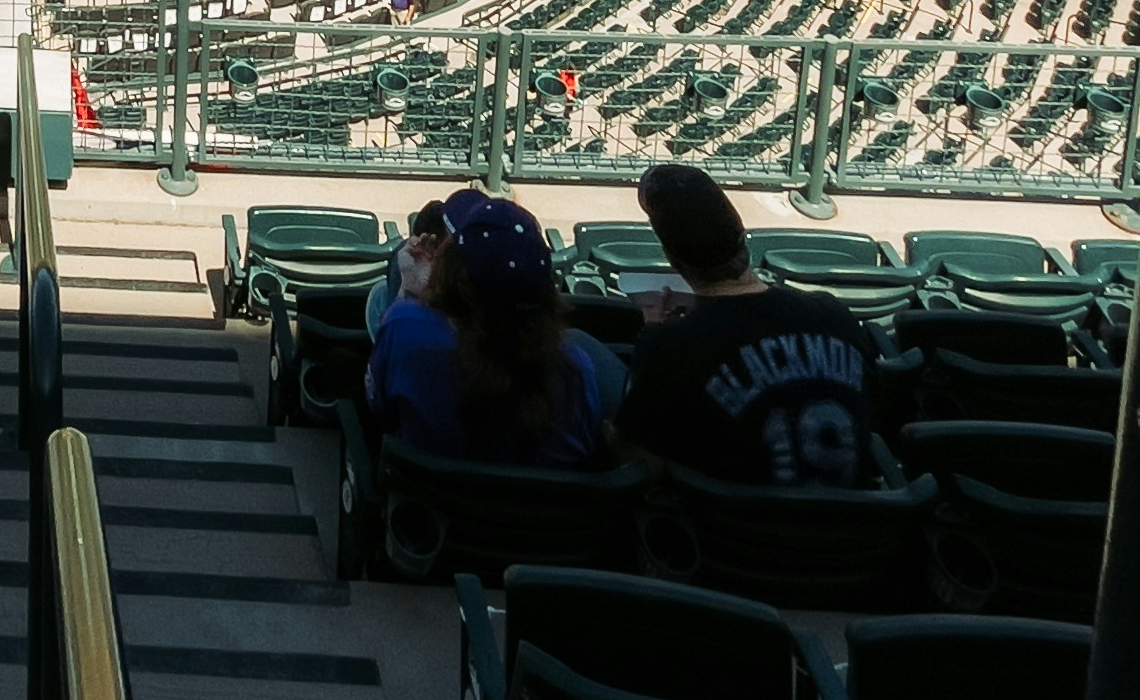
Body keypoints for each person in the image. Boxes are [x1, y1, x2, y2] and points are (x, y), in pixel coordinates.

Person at [620, 162, 875, 486]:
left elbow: (636, 462)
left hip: (728, 532)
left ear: (673, 259)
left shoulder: (670, 347)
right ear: (744, 242)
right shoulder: (836, 318)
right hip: (854, 528)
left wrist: (653, 334)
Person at [364, 191, 619, 469]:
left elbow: (380, 413)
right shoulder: (577, 369)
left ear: (453, 273)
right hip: (542, 512)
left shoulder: (406, 327)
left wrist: (413, 295)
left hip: (434, 509)